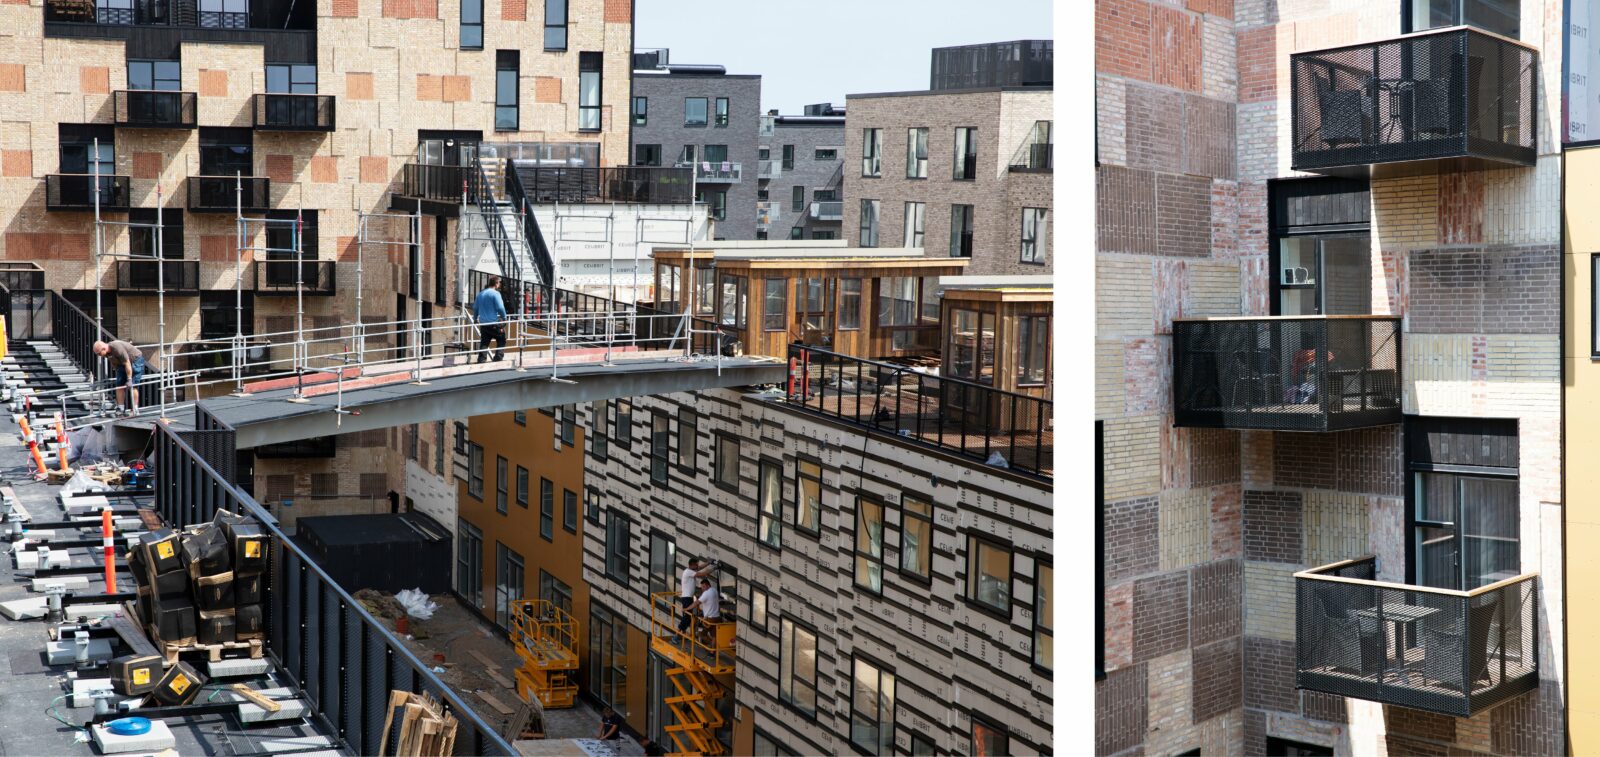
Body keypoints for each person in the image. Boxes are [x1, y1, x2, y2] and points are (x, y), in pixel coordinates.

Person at [93, 339, 147, 416]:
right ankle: (120, 408)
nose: (99, 356)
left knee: (134, 385)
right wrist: (119, 374)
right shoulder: (107, 353)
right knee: (119, 385)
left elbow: (127, 363)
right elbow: (115, 363)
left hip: (135, 360)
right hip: (122, 364)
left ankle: (135, 409)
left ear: (104, 349)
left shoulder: (117, 348)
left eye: (99, 353)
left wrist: (129, 379)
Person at [473, 276, 507, 363]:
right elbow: (500, 307)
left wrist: (475, 319)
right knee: (501, 338)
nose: (499, 285)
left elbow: (475, 308)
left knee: (484, 343)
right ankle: (498, 358)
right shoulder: (495, 294)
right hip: (494, 323)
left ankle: (481, 359)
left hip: (484, 324)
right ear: (496, 284)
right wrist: (504, 318)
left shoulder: (480, 294)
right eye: (499, 283)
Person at [678, 557, 717, 633]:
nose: (697, 566)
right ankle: (677, 633)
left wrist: (708, 563)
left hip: (688, 597)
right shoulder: (688, 572)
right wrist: (714, 568)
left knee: (688, 616)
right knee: (687, 616)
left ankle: (682, 632)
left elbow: (700, 567)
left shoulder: (691, 570)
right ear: (692, 565)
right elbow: (701, 573)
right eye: (696, 564)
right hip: (686, 598)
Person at [688, 577, 721, 645]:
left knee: (701, 634)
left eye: (704, 586)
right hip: (717, 617)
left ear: (708, 585)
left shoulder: (706, 593)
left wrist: (686, 608)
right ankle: (712, 652)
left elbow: (697, 603)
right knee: (714, 635)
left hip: (709, 619)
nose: (702, 588)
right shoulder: (714, 590)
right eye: (702, 587)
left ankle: (710, 645)